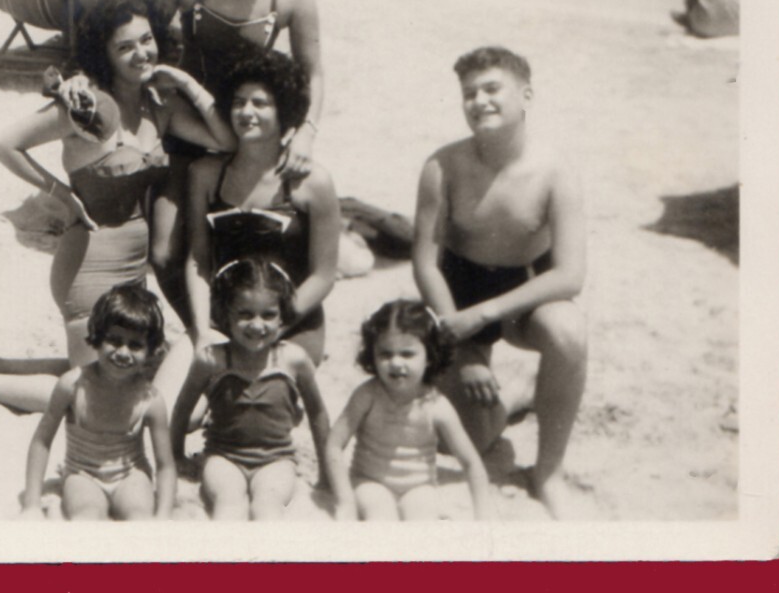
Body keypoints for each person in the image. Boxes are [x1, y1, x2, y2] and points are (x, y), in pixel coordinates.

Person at [0, 0, 232, 413]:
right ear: (105, 55)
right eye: (125, 47)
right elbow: (4, 144)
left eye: (147, 40)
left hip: (133, 270)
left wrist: (185, 81)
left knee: (123, 373)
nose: (141, 54)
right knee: (99, 404)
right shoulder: (89, 105)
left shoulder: (158, 107)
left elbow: (224, 139)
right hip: (88, 270)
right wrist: (63, 195)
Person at [142, 0, 326, 327]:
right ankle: (203, 334)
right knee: (164, 254)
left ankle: (251, 328)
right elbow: (128, 31)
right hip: (186, 131)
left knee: (263, 248)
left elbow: (313, 73)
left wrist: (305, 133)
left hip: (250, 136)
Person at [412, 47, 587, 519]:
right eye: (470, 93)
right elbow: (425, 263)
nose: (480, 101)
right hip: (459, 291)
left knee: (569, 331)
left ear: (525, 94)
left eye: (493, 89)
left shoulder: (554, 171)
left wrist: (487, 315)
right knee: (465, 437)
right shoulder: (443, 166)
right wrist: (461, 344)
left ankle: (547, 471)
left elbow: (570, 276)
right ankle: (516, 397)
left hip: (522, 294)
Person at [182, 50, 343, 365]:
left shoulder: (313, 183)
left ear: (284, 109)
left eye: (260, 103)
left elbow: (324, 275)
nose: (246, 112)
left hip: (293, 320)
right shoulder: (205, 174)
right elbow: (198, 261)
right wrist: (203, 330)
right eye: (239, 102)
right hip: (227, 319)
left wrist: (269, 324)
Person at [169, 256, 330, 520]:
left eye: (268, 315)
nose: (257, 325)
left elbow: (318, 415)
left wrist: (326, 471)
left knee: (267, 507)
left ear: (283, 316)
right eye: (244, 314)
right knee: (228, 504)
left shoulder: (293, 360)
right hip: (224, 458)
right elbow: (183, 407)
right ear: (225, 315)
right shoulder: (212, 360)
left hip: (276, 460)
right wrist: (176, 455)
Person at [21, 282, 177, 521]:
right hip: (83, 474)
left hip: (130, 475)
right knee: (88, 516)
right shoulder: (73, 385)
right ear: (97, 337)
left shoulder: (150, 398)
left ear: (150, 350)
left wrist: (164, 514)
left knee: (140, 517)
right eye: (114, 340)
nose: (123, 352)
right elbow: (42, 441)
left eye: (135, 345)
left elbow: (165, 464)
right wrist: (31, 505)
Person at [325, 300, 490, 521]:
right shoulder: (367, 396)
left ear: (430, 356)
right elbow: (334, 445)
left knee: (422, 521)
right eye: (385, 354)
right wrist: (344, 501)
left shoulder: (436, 405)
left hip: (419, 487)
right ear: (372, 355)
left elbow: (470, 462)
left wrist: (485, 514)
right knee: (380, 516)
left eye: (407, 354)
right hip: (370, 481)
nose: (395, 362)